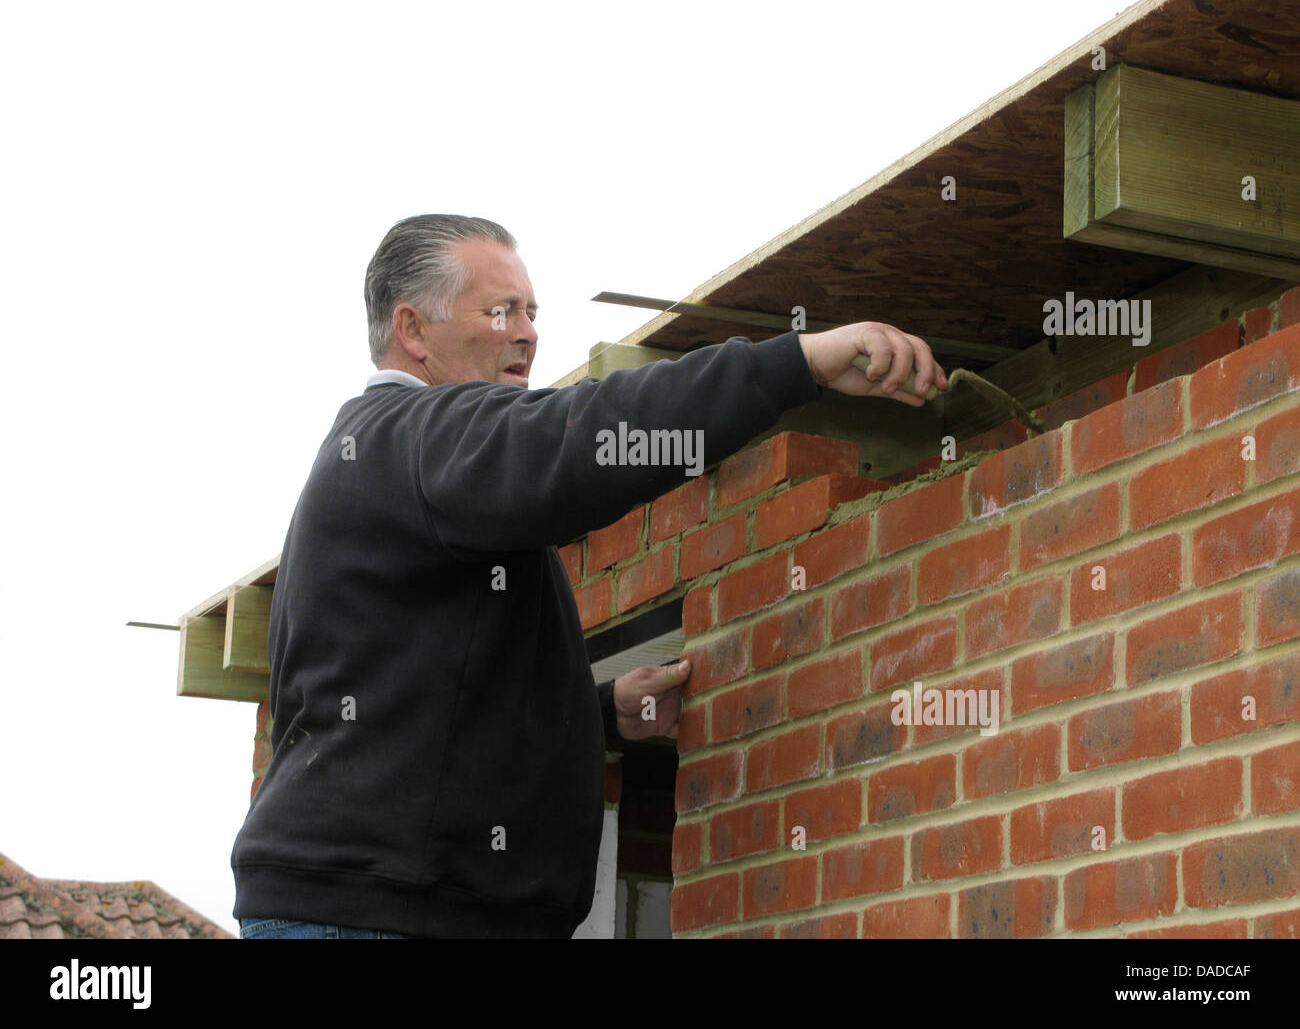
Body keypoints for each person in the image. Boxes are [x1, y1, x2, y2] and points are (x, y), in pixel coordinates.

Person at [230, 214, 947, 939]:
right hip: (375, 918)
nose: (528, 333)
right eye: (501, 311)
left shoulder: (401, 462)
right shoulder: (412, 435)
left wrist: (596, 712)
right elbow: (579, 436)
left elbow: (424, 699)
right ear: (412, 330)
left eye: (532, 312)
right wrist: (795, 364)